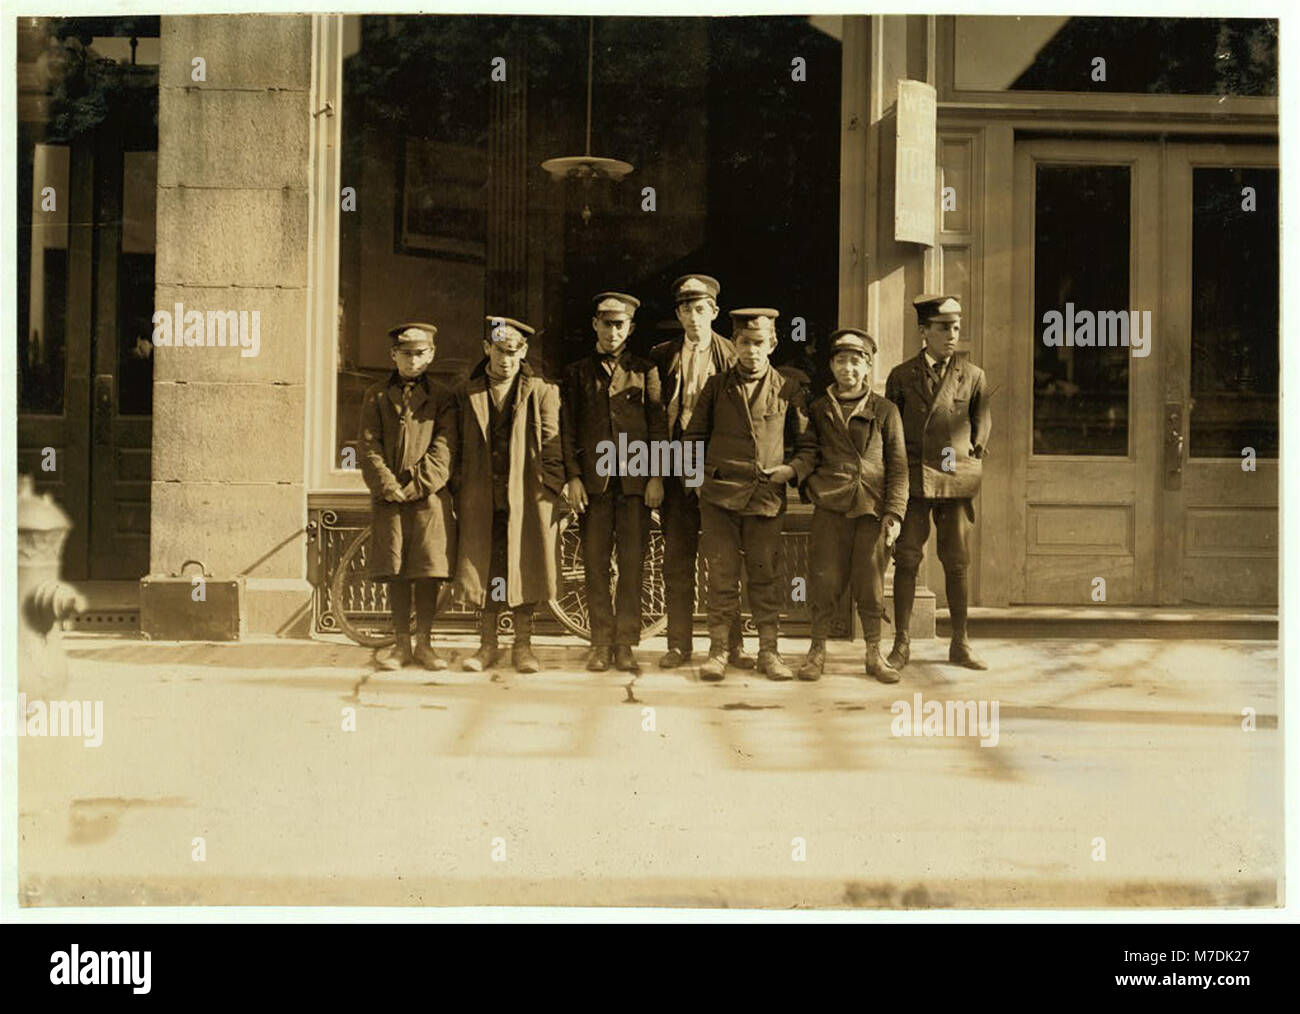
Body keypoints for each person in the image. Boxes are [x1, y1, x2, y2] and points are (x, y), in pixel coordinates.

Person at [684, 308, 810, 682]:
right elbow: (692, 437)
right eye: (744, 342)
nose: (751, 351)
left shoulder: (789, 389)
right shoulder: (716, 386)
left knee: (764, 576)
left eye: (759, 343)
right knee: (721, 576)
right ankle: (720, 650)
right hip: (720, 497)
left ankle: (769, 652)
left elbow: (807, 446)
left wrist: (792, 471)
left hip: (764, 499)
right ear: (734, 344)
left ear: (772, 344)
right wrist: (696, 480)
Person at [648, 275, 753, 670]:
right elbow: (656, 420)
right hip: (677, 469)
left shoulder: (732, 354)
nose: (693, 317)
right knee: (677, 558)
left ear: (714, 312)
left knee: (725, 561)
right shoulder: (662, 355)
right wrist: (656, 475)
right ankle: (679, 645)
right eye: (685, 309)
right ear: (677, 314)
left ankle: (731, 646)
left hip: (719, 473)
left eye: (700, 309)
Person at [791, 328, 908, 682]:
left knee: (870, 582)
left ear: (868, 367)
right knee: (824, 579)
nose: (848, 368)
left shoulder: (885, 410)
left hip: (871, 509)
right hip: (831, 508)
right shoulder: (819, 408)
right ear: (831, 365)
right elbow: (807, 452)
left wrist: (895, 513)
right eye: (841, 361)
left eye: (856, 361)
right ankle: (817, 652)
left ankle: (874, 654)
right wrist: (811, 487)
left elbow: (898, 466)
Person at [884, 295, 993, 672]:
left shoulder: (973, 375)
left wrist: (973, 454)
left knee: (957, 562)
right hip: (913, 480)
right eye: (944, 327)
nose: (952, 334)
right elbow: (891, 431)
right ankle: (901, 642)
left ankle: (960, 643)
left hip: (953, 480)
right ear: (923, 331)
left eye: (956, 327)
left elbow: (982, 422)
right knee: (907, 559)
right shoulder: (901, 376)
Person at [561, 292, 667, 674]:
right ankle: (600, 643)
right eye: (606, 323)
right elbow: (567, 429)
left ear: (631, 328)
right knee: (595, 565)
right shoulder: (576, 373)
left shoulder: (646, 370)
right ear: (595, 324)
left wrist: (657, 476)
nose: (612, 331)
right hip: (594, 487)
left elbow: (658, 428)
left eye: (620, 324)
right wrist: (572, 477)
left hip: (636, 485)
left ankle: (626, 643)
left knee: (632, 566)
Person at [453, 316, 564, 674]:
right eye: (500, 351)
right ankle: (487, 645)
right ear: (487, 348)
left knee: (524, 567)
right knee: (487, 567)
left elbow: (553, 445)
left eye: (514, 352)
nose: (506, 360)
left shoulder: (542, 391)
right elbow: (452, 444)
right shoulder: (465, 392)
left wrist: (550, 492)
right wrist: (459, 487)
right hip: (480, 497)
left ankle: (523, 647)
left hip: (526, 496)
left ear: (524, 351)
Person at [357, 321, 458, 671]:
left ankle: (425, 645)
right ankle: (401, 644)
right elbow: (368, 447)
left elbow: (445, 448)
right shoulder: (376, 395)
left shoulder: (444, 398)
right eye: (405, 353)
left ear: (431, 355)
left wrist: (416, 485)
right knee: (396, 570)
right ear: (393, 355)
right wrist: (389, 486)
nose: (412, 361)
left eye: (420, 353)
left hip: (428, 500)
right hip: (390, 501)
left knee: (426, 571)